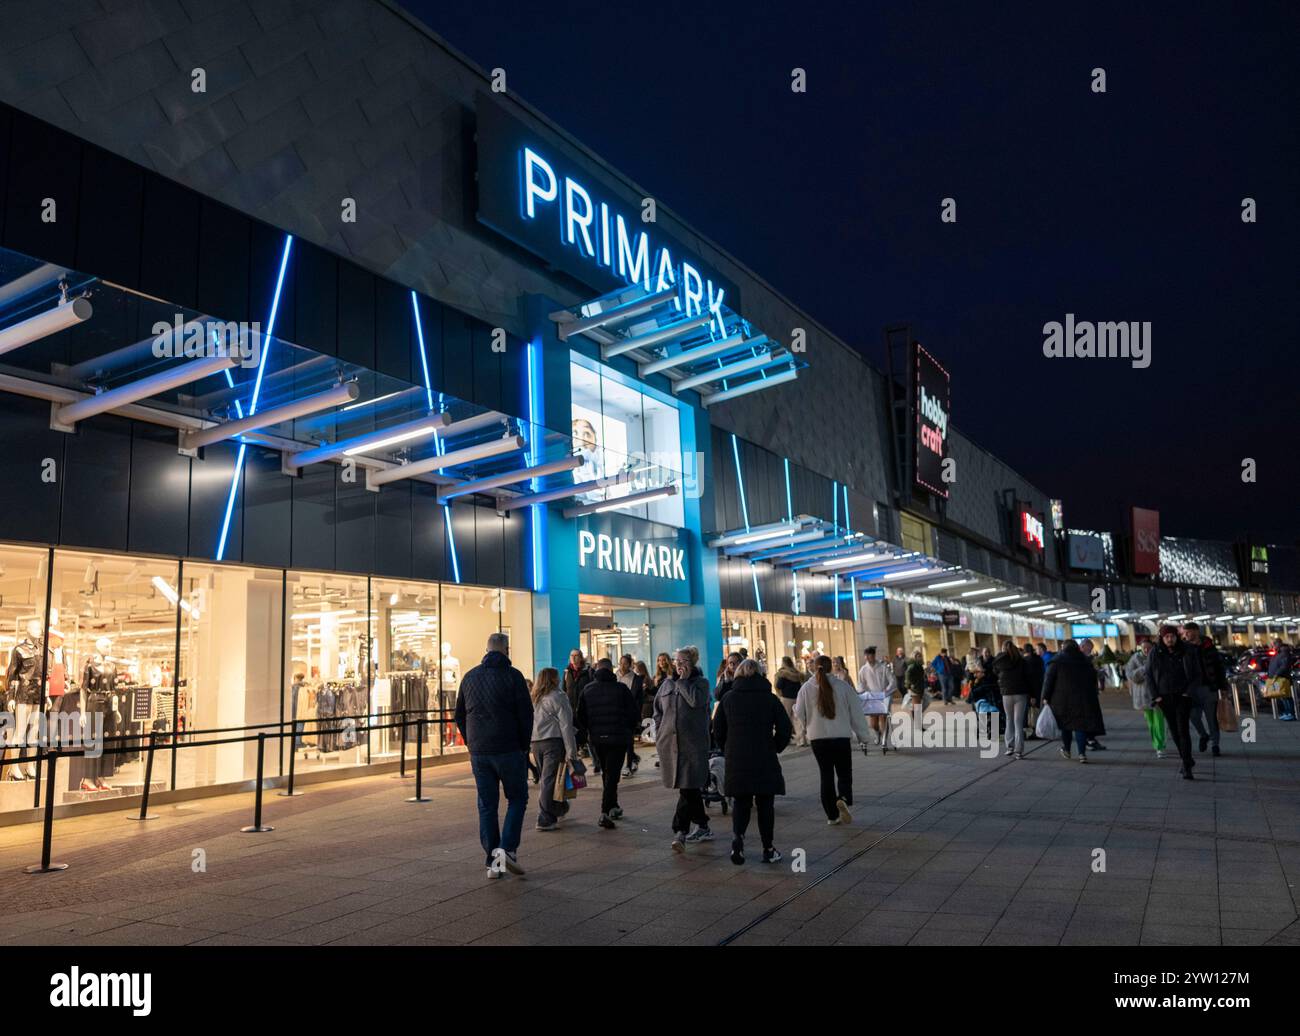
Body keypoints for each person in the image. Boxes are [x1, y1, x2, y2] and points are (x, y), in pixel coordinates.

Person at [454, 632, 533, 878]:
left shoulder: (469, 677)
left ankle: (492, 862)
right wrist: (524, 745)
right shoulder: (514, 676)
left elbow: (459, 714)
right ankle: (507, 849)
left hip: (480, 752)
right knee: (517, 798)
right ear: (506, 650)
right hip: (509, 748)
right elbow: (525, 715)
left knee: (487, 805)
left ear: (486, 650)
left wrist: (471, 742)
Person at [713, 658, 792, 865]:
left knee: (741, 801)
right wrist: (775, 746)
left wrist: (728, 749)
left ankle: (738, 838)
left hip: (737, 758)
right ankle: (768, 848)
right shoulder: (770, 698)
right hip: (764, 756)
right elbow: (785, 728)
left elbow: (718, 730)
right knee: (766, 804)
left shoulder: (728, 699)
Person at [794, 654, 872, 825]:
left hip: (818, 739)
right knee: (844, 773)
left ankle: (831, 816)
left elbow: (798, 712)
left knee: (826, 775)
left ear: (814, 667)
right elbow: (856, 713)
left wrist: (807, 727)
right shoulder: (843, 687)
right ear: (831, 667)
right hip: (841, 737)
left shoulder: (806, 688)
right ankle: (843, 797)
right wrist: (863, 737)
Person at [655, 645, 713, 851]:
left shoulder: (701, 684)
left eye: (684, 662)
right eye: (676, 661)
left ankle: (680, 831)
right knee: (687, 787)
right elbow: (658, 711)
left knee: (688, 786)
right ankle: (703, 824)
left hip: (692, 746)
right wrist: (660, 731)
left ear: (693, 663)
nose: (679, 665)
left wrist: (683, 682)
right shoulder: (666, 684)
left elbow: (696, 702)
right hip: (670, 745)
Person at [575, 658, 641, 829]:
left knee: (607, 772)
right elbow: (633, 712)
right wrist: (628, 730)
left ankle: (613, 806)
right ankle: (605, 811)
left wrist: (589, 730)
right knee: (612, 773)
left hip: (597, 739)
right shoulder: (621, 689)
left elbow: (580, 715)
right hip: (618, 738)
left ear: (597, 669)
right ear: (611, 670)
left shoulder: (587, 689)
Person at [1042, 639, 1106, 764]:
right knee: (1080, 725)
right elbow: (1092, 679)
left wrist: (1045, 697)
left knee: (1066, 725)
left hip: (1062, 700)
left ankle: (1067, 750)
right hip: (1083, 699)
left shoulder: (1057, 660)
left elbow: (1048, 680)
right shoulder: (1085, 660)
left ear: (1063, 647)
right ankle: (1082, 754)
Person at [530, 667, 578, 831]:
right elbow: (566, 725)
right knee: (549, 780)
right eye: (557, 677)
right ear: (553, 679)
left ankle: (559, 807)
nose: (559, 679)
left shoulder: (535, 698)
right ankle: (545, 817)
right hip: (553, 742)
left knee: (547, 779)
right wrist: (572, 751)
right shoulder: (559, 696)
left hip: (536, 743)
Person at [1148, 625, 1199, 779]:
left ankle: (1186, 765)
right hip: (1164, 697)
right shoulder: (1155, 652)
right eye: (1166, 637)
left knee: (1183, 730)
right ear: (1162, 638)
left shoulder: (1187, 650)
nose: (1170, 639)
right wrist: (1156, 696)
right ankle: (1187, 759)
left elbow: (1197, 673)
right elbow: (1148, 674)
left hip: (1182, 696)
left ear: (1177, 637)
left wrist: (1188, 692)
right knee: (1174, 731)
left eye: (1172, 636)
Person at [1181, 622, 1228, 757]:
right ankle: (1203, 735)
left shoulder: (1208, 646)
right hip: (1191, 689)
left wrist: (1223, 687)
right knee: (1193, 716)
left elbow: (1219, 668)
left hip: (1209, 688)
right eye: (1184, 633)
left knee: (1211, 718)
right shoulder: (1183, 648)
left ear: (1196, 631)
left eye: (1188, 632)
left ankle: (1215, 745)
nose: (1186, 635)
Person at [1126, 638, 1165, 758]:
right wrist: (1145, 668)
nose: (1146, 650)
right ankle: (1156, 743)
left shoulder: (1159, 657)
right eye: (1144, 648)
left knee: (1159, 722)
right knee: (1151, 723)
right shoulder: (1135, 659)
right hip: (1142, 696)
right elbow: (1131, 676)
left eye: (1149, 647)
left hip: (1157, 695)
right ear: (1140, 648)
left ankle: (1159, 746)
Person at [993, 640, 1031, 759]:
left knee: (1009, 719)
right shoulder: (1022, 661)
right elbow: (1028, 677)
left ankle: (1010, 747)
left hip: (1007, 693)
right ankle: (1018, 751)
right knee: (1018, 722)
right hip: (1020, 693)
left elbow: (995, 671)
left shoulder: (1001, 661)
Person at [856, 646, 895, 745]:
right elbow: (861, 684)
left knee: (883, 718)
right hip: (871, 698)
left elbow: (892, 681)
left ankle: (884, 740)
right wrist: (862, 691)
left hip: (883, 696)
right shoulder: (863, 670)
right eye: (866, 656)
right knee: (873, 723)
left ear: (874, 656)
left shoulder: (883, 667)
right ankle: (877, 733)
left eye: (870, 655)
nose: (868, 657)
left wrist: (887, 689)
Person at [1076, 640, 1108, 751]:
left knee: (1092, 717)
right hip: (1084, 694)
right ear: (1082, 647)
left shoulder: (1087, 658)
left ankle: (1090, 739)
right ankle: (1088, 741)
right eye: (1089, 648)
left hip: (1090, 692)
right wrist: (1096, 672)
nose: (1090, 650)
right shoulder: (1080, 659)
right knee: (1088, 717)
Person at [967, 664, 1000, 742]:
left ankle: (991, 730)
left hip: (989, 701)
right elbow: (972, 695)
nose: (975, 674)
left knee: (989, 710)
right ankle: (986, 729)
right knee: (982, 708)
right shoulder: (974, 682)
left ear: (983, 672)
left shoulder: (988, 680)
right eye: (974, 673)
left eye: (977, 672)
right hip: (981, 702)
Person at [773, 655, 804, 742]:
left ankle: (787, 738)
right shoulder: (797, 673)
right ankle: (801, 740)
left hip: (786, 698)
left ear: (784, 663)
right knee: (797, 719)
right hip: (797, 698)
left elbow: (779, 685)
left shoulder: (783, 674)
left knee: (785, 719)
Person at [1022, 641, 1045, 740]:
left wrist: (1031, 695)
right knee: (1037, 711)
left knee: (1027, 712)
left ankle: (1028, 732)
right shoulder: (1039, 659)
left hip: (1029, 690)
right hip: (1039, 688)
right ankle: (1038, 730)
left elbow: (1028, 678)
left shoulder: (1024, 661)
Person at [1268, 639, 1294, 720]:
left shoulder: (1284, 653)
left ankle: (1290, 713)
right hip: (1277, 678)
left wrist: (1276, 674)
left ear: (1278, 644)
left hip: (1282, 677)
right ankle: (1286, 712)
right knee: (1282, 696)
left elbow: (1284, 666)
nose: (1272, 646)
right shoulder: (1279, 653)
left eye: (1273, 645)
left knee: (1286, 696)